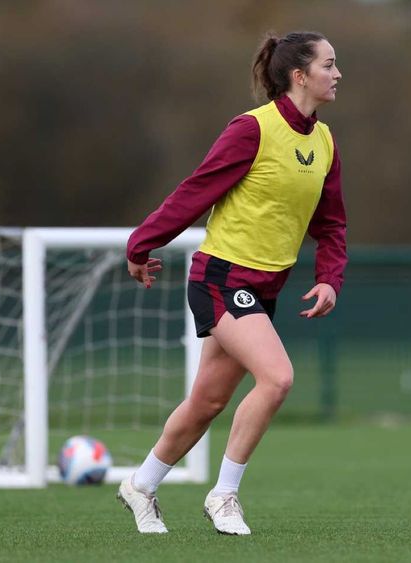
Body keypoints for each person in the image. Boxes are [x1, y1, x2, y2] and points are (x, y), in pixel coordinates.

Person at [117, 31, 346, 536]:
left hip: (264, 289)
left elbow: (331, 224)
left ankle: (140, 485)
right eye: (329, 65)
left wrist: (329, 278)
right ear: (299, 75)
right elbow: (195, 191)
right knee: (278, 378)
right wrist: (141, 243)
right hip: (221, 277)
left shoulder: (325, 141)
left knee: (207, 402)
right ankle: (223, 495)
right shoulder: (251, 129)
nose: (338, 74)